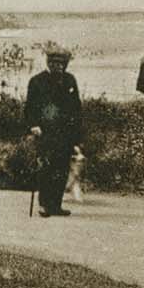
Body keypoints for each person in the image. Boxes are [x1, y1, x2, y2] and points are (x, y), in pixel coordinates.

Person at [24, 44, 84, 218]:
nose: (57, 66)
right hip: (45, 132)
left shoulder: (70, 80)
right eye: (53, 62)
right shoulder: (37, 81)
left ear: (65, 64)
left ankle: (56, 205)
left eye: (61, 63)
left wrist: (77, 133)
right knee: (46, 167)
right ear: (48, 62)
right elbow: (30, 107)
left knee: (61, 169)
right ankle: (44, 204)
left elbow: (76, 108)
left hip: (65, 132)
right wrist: (33, 125)